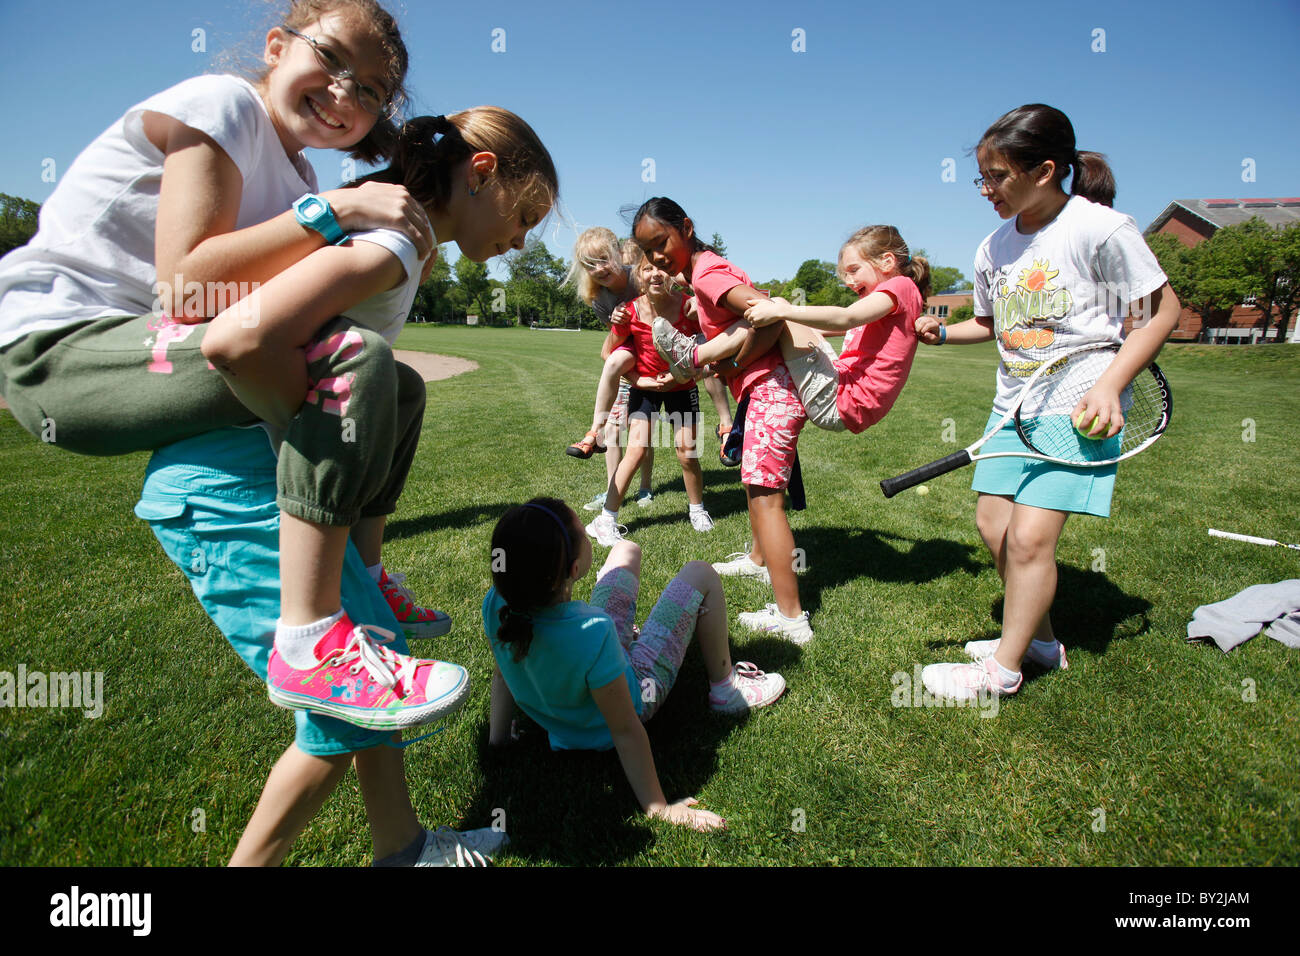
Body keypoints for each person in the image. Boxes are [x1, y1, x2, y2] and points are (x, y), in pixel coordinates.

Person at [0, 0, 557, 728]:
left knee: (400, 385)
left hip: (141, 346)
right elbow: (191, 289)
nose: (344, 95)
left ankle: (363, 578)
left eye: (370, 93)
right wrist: (334, 213)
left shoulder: (295, 177)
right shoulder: (224, 103)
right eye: (331, 61)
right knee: (354, 362)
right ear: (274, 44)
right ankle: (309, 639)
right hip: (60, 349)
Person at [912, 103, 1180, 700]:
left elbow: (1161, 312)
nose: (986, 190)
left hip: (1078, 404)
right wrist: (944, 332)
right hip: (1013, 406)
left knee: (1032, 540)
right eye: (982, 177)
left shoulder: (1099, 229)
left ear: (1046, 170)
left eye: (997, 177)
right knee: (994, 527)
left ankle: (1002, 671)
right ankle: (1036, 639)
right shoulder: (993, 248)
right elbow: (992, 324)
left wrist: (1111, 383)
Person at [485, 498, 786, 831]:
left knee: (626, 550)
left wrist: (498, 739)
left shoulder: (498, 606)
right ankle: (725, 688)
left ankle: (628, 643)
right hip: (633, 694)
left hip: (566, 714)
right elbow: (625, 729)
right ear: (572, 570)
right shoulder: (593, 632)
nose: (588, 539)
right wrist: (659, 808)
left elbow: (502, 673)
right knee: (701, 572)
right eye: (583, 538)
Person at [633, 198, 813, 643]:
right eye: (647, 251)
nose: (657, 257)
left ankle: (792, 618)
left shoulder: (708, 274)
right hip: (764, 390)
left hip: (771, 390)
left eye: (662, 243)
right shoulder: (703, 276)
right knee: (756, 489)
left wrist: (733, 365)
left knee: (767, 499)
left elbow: (769, 318)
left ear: (686, 228)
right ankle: (757, 560)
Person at [661, 225, 929, 435]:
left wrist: (782, 311)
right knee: (775, 314)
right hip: (844, 390)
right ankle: (702, 365)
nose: (849, 281)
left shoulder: (900, 287)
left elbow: (846, 318)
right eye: (845, 274)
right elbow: (833, 328)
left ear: (887, 261)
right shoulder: (895, 297)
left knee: (775, 307)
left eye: (854, 270)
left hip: (842, 401)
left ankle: (695, 356)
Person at [583, 255, 715, 545]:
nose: (655, 274)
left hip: (681, 389)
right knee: (636, 451)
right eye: (648, 269)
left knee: (687, 453)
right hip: (645, 392)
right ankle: (606, 519)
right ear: (638, 277)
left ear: (672, 275)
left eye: (662, 269)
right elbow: (609, 354)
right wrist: (638, 380)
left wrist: (683, 373)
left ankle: (697, 509)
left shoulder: (687, 306)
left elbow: (707, 348)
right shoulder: (628, 310)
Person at [563, 230, 655, 509]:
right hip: (629, 361)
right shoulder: (599, 298)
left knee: (642, 434)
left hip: (654, 353)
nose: (598, 269)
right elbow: (615, 343)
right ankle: (611, 489)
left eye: (603, 259)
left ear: (617, 254)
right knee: (614, 433)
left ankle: (645, 488)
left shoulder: (639, 277)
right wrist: (617, 322)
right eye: (589, 264)